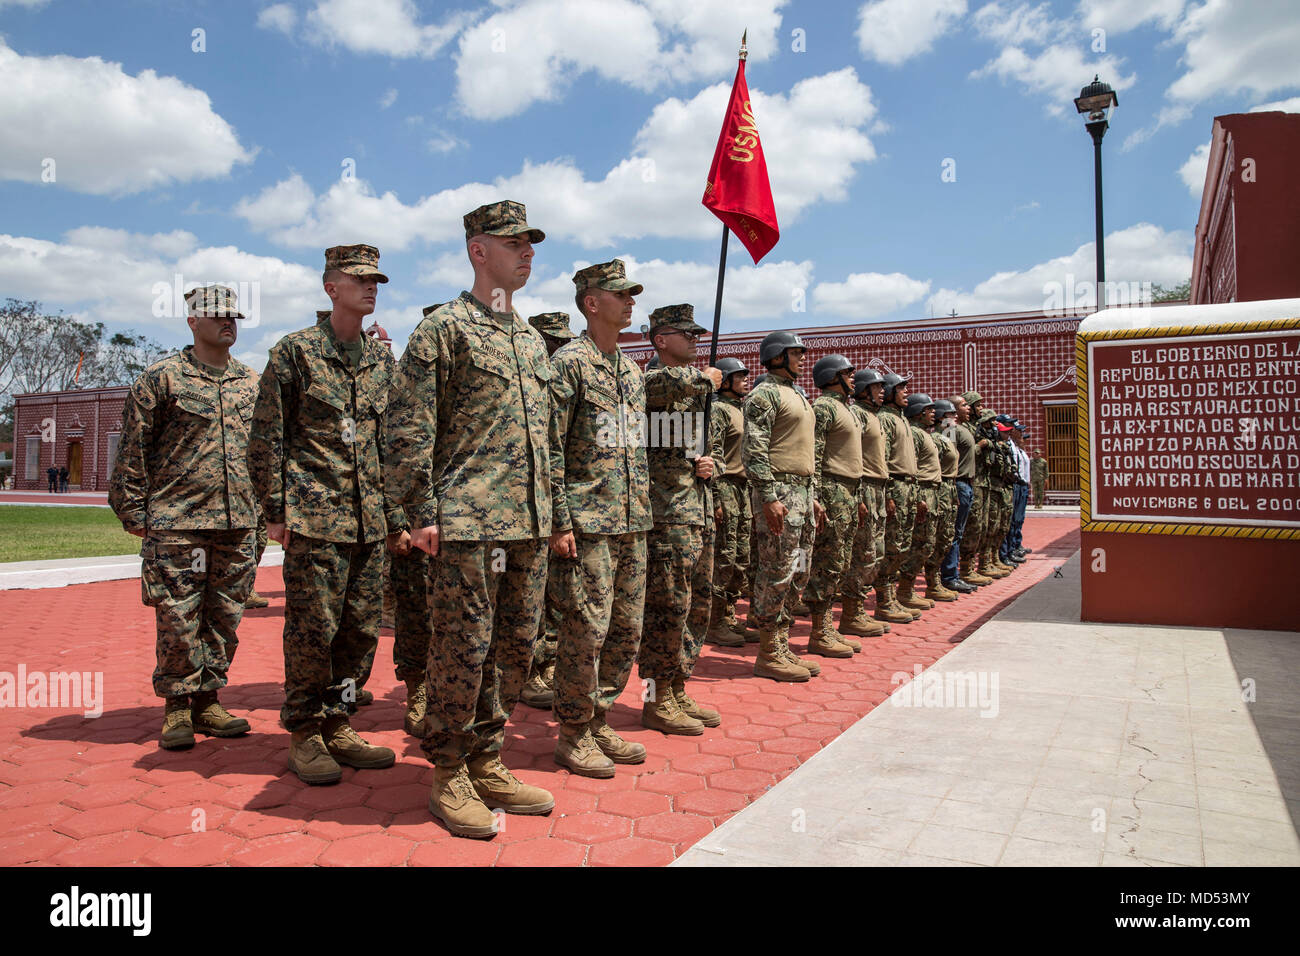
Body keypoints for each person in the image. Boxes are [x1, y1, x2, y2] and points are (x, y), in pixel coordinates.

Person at [385, 201, 555, 838]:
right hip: (468, 525)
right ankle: (448, 771)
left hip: (528, 526)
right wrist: (420, 514)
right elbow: (408, 430)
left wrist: (554, 515)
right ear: (478, 251)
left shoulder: (533, 339)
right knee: (463, 649)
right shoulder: (442, 331)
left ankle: (487, 756)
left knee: (515, 649)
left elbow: (550, 440)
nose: (528, 253)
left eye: (531, 243)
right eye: (515, 244)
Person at [249, 245, 402, 786]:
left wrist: (398, 516)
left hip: (371, 521)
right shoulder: (294, 353)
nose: (371, 287)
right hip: (315, 517)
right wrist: (274, 510)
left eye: (375, 280)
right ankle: (304, 732)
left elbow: (395, 442)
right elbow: (267, 435)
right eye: (358, 279)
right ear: (330, 287)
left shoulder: (384, 360)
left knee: (360, 630)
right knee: (314, 629)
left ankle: (338, 720)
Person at [109, 285, 259, 750]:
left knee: (225, 616)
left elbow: (266, 451)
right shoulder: (162, 379)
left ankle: (209, 700)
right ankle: (177, 706)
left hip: (239, 523)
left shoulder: (251, 383)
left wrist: (270, 511)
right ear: (192, 321)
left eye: (233, 315)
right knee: (178, 617)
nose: (227, 322)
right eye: (217, 316)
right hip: (179, 521)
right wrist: (134, 509)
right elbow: (133, 450)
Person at [548, 261, 652, 776]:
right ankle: (572, 730)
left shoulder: (631, 371)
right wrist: (561, 522)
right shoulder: (569, 364)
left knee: (626, 629)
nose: (630, 301)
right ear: (592, 303)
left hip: (633, 521)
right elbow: (550, 448)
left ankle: (600, 717)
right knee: (585, 630)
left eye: (632, 294)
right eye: (620, 294)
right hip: (588, 523)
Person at [639, 305, 725, 730]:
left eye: (696, 334)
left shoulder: (697, 392)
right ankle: (655, 699)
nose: (695, 340)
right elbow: (652, 386)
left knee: (696, 606)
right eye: (685, 334)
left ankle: (677, 688)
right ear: (659, 340)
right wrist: (701, 380)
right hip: (666, 515)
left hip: (697, 511)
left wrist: (712, 464)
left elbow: (712, 448)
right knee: (666, 608)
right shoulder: (650, 382)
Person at [743, 331, 825, 681]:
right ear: (777, 356)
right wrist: (769, 497)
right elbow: (754, 451)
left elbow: (809, 454)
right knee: (776, 571)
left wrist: (815, 496)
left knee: (799, 571)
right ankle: (768, 651)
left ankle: (782, 643)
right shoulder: (764, 395)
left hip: (803, 494)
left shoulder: (798, 396)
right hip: (781, 493)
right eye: (795, 353)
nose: (802, 358)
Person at [520, 312, 577, 711]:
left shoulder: (560, 382)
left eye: (562, 340)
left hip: (556, 508)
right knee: (530, 604)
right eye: (551, 340)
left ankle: (547, 666)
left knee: (555, 600)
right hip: (525, 509)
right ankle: (528, 672)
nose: (558, 348)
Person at [802, 354, 861, 657]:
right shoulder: (824, 407)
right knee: (828, 561)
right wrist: (816, 496)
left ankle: (829, 627)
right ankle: (819, 631)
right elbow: (814, 454)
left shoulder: (844, 408)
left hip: (848, 491)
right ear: (832, 377)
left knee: (841, 560)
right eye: (848, 373)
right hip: (832, 491)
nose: (853, 377)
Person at [839, 369, 890, 639]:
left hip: (878, 487)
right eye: (876, 386)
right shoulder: (856, 413)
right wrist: (858, 495)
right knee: (862, 552)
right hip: (864, 487)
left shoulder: (874, 416)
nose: (882, 390)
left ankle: (858, 609)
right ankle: (851, 613)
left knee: (874, 551)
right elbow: (851, 455)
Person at [706, 357, 753, 647]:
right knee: (724, 556)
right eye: (740, 376)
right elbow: (713, 453)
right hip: (725, 486)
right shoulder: (719, 411)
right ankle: (715, 621)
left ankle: (730, 613)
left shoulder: (741, 410)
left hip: (743, 489)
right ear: (725, 381)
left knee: (741, 557)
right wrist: (716, 498)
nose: (746, 380)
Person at [875, 373, 921, 624]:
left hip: (909, 486)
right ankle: (884, 601)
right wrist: (890, 493)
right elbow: (882, 459)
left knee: (902, 545)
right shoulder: (886, 420)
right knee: (891, 547)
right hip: (896, 486)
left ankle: (894, 596)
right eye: (901, 388)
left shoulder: (900, 419)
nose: (906, 393)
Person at [899, 393, 941, 610]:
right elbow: (911, 467)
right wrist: (917, 497)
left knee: (927, 544)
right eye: (928, 409)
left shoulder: (925, 434)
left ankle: (910, 588)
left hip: (932, 491)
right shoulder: (915, 434)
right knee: (918, 543)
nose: (933, 413)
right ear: (918, 411)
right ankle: (904, 590)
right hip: (922, 491)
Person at [941, 394, 980, 593]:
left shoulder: (964, 428)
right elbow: (947, 455)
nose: (968, 408)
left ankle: (955, 573)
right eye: (964, 405)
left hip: (968, 484)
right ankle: (949, 576)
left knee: (960, 532)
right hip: (959, 483)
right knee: (954, 533)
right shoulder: (950, 426)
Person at [926, 399, 963, 599]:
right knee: (938, 537)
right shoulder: (937, 440)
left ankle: (937, 580)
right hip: (939, 488)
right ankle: (933, 581)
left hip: (949, 488)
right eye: (950, 415)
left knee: (946, 537)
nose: (954, 417)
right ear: (941, 418)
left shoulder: (947, 437)